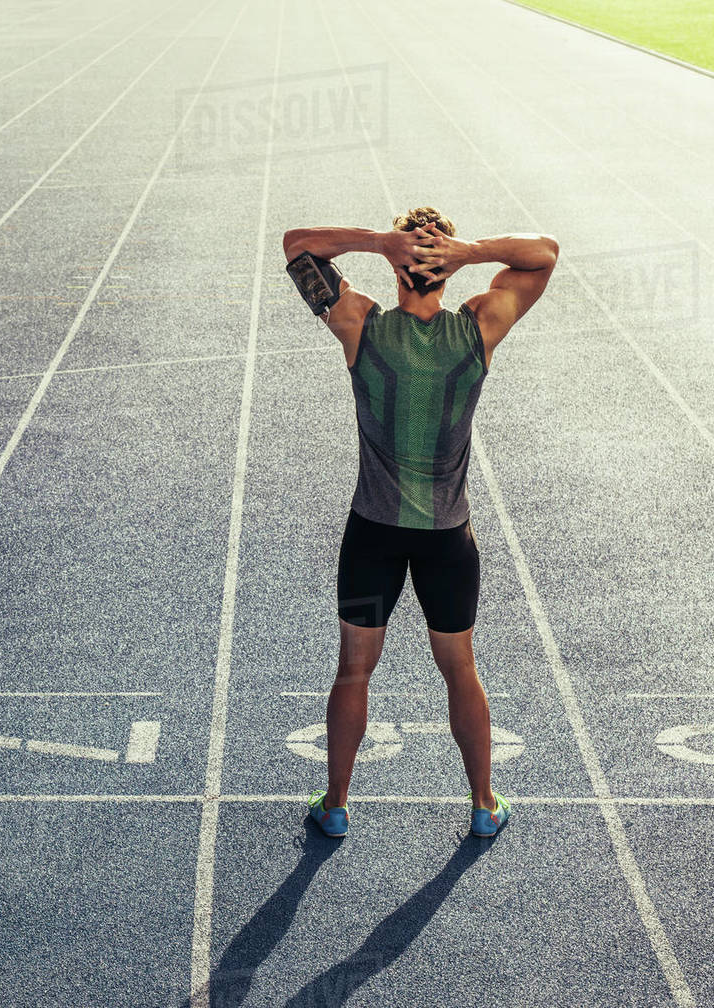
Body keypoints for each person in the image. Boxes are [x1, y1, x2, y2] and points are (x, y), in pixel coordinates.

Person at [281, 207, 559, 839]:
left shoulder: (360, 327)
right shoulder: (480, 329)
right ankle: (484, 804)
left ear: (400, 265)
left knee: (354, 669)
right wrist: (471, 251)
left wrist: (379, 242)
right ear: (444, 266)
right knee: (461, 668)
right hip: (448, 543)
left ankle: (336, 805)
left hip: (371, 536)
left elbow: (299, 245)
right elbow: (544, 252)